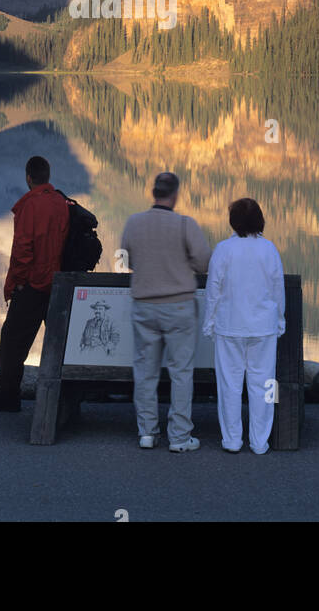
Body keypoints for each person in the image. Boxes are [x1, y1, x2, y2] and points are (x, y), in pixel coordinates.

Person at [121, 172, 211, 452]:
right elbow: (203, 262)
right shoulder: (186, 225)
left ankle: (147, 432)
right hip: (179, 306)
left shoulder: (133, 223)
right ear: (175, 194)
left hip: (144, 305)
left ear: (153, 192)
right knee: (181, 372)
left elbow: (126, 258)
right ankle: (180, 437)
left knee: (145, 372)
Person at [0, 156, 70, 412]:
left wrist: (16, 284)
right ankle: (64, 399)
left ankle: (9, 396)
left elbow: (22, 250)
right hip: (59, 285)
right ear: (48, 176)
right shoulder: (61, 203)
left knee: (12, 340)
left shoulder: (29, 206)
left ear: (28, 177)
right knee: (58, 342)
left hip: (34, 285)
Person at [203, 198, 285, 455]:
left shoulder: (223, 249)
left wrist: (209, 323)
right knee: (264, 384)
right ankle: (260, 441)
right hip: (264, 327)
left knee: (229, 384)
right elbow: (277, 290)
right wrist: (280, 320)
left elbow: (213, 289)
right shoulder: (269, 249)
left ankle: (232, 440)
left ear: (233, 221)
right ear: (260, 220)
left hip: (230, 326)